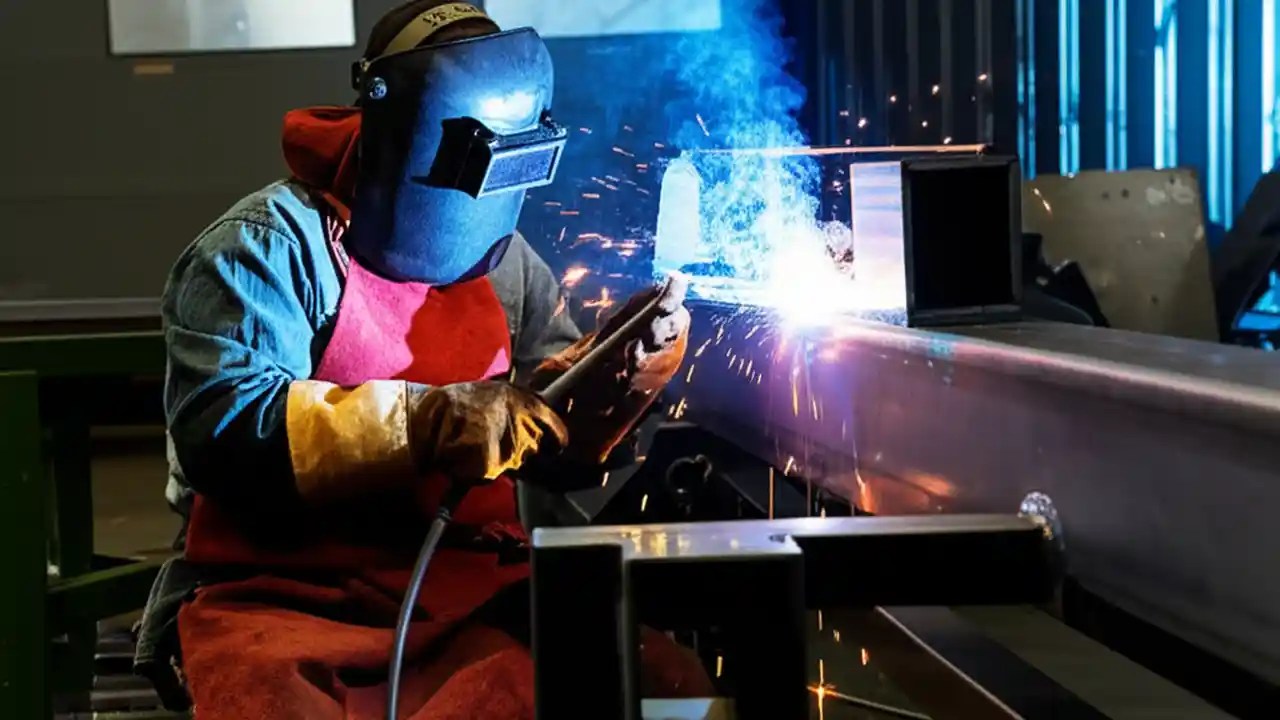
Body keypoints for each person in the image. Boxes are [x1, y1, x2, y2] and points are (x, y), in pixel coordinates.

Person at [158, 2, 708, 718]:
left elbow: (558, 455)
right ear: (402, 132)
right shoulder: (265, 247)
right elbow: (220, 433)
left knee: (668, 689)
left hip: (472, 593)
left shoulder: (508, 265)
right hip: (285, 605)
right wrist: (425, 421)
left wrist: (615, 381)